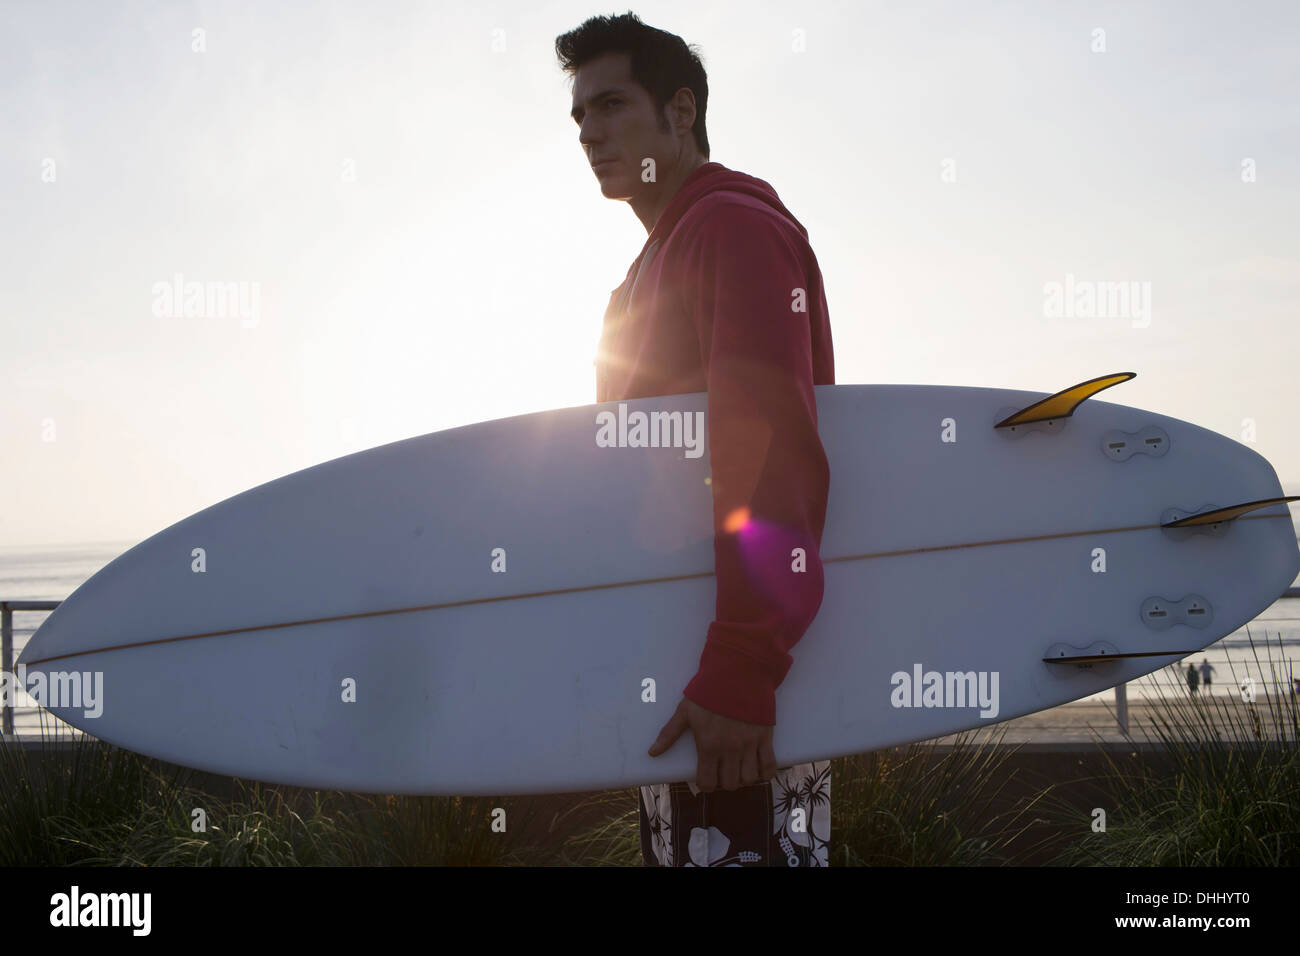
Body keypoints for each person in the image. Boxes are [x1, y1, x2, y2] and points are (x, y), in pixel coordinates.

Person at [556, 12, 835, 866]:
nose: (591, 134)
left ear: (680, 112)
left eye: (610, 105)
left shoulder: (731, 229)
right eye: (579, 118)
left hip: (736, 695)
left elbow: (770, 448)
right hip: (684, 681)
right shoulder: (640, 278)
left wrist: (742, 670)